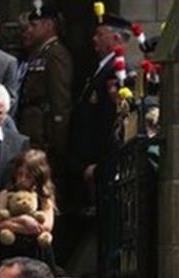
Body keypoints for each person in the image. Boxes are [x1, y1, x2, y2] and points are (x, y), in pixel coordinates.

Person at [70, 12, 133, 199]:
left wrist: (100, 165)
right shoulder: (101, 69)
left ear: (115, 38)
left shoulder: (118, 72)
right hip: (87, 160)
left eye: (100, 34)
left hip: (99, 163)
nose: (94, 39)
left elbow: (112, 121)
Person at [16, 2, 73, 183]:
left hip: (44, 132)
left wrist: (57, 139)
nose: (29, 30)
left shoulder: (56, 54)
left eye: (34, 25)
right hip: (32, 128)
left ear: (49, 25)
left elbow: (60, 99)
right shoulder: (37, 53)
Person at [0, 148, 56, 269]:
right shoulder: (6, 194)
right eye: (19, 174)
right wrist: (23, 220)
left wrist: (10, 224)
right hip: (10, 248)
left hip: (35, 250)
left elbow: (45, 227)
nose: (22, 179)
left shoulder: (43, 196)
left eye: (28, 176)